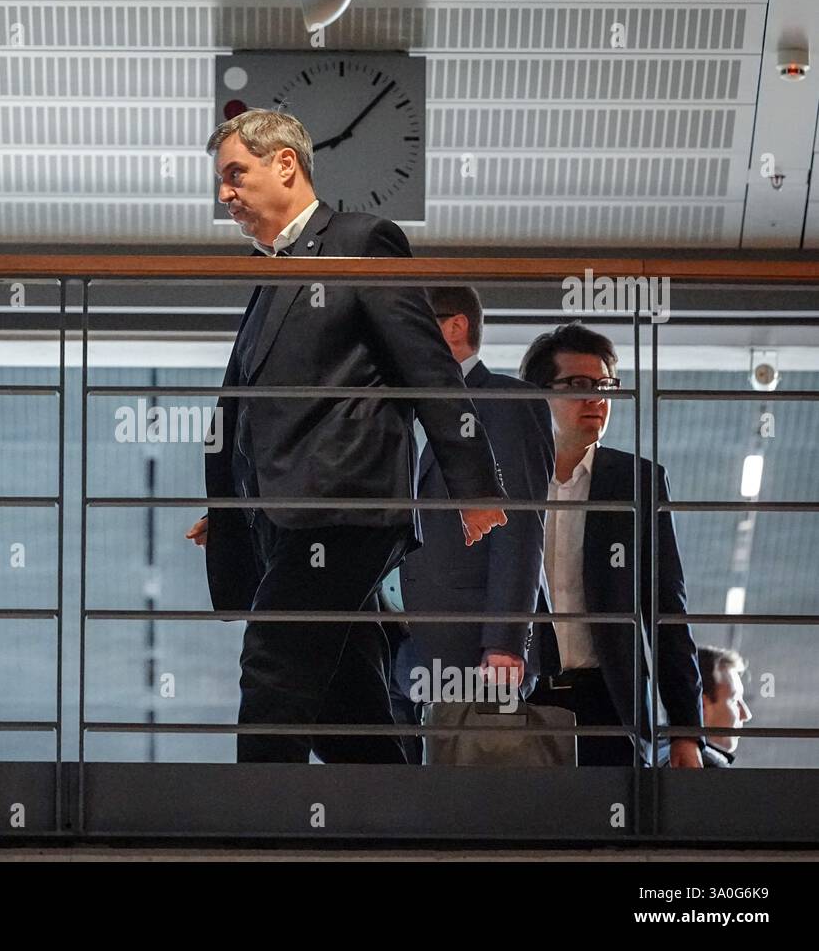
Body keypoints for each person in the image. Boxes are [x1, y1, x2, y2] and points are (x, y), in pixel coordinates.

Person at [185, 109, 507, 764]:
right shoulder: (271, 272)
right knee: (342, 698)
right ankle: (391, 822)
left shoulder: (362, 241)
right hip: (289, 513)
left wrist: (473, 486)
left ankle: (258, 833)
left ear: (285, 164)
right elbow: (252, 403)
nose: (224, 194)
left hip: (344, 505)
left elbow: (427, 365)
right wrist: (231, 503)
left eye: (235, 174)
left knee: (273, 660)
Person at [519, 323, 703, 768]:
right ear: (536, 395)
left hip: (608, 700)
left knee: (609, 832)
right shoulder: (506, 477)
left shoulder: (635, 482)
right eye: (577, 385)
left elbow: (667, 610)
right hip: (519, 697)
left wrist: (684, 731)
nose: (595, 398)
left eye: (604, 386)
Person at [391, 287, 555, 737]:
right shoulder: (406, 407)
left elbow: (519, 527)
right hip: (406, 650)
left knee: (465, 794)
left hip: (471, 648)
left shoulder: (504, 402)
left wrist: (504, 641)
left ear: (455, 327)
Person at [698, 645, 751, 766]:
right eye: (734, 700)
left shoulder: (657, 755)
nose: (746, 714)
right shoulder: (709, 770)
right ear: (701, 706)